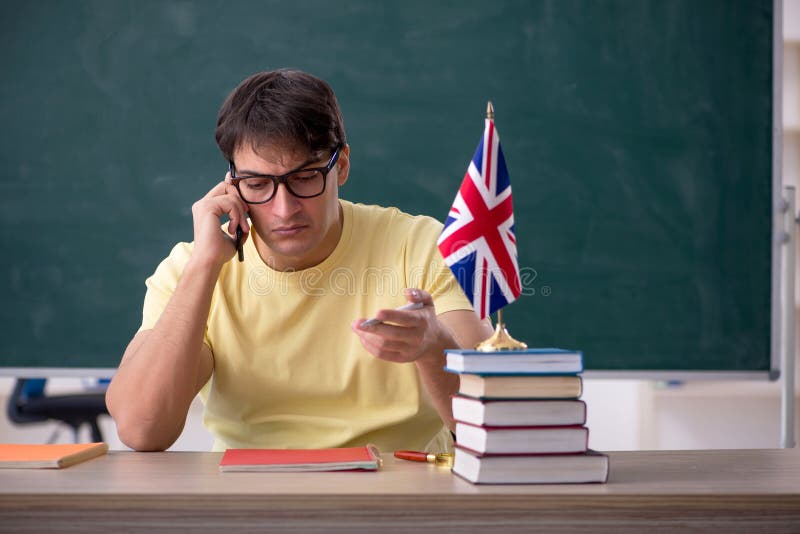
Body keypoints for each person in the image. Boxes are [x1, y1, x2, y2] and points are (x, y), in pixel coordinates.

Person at [106, 69, 492, 453]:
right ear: (231, 186)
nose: (283, 209)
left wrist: (434, 348)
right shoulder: (191, 269)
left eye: (305, 178)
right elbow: (142, 430)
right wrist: (204, 268)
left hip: (397, 495)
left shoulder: (422, 246)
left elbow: (493, 421)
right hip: (250, 499)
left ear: (340, 165)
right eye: (257, 185)